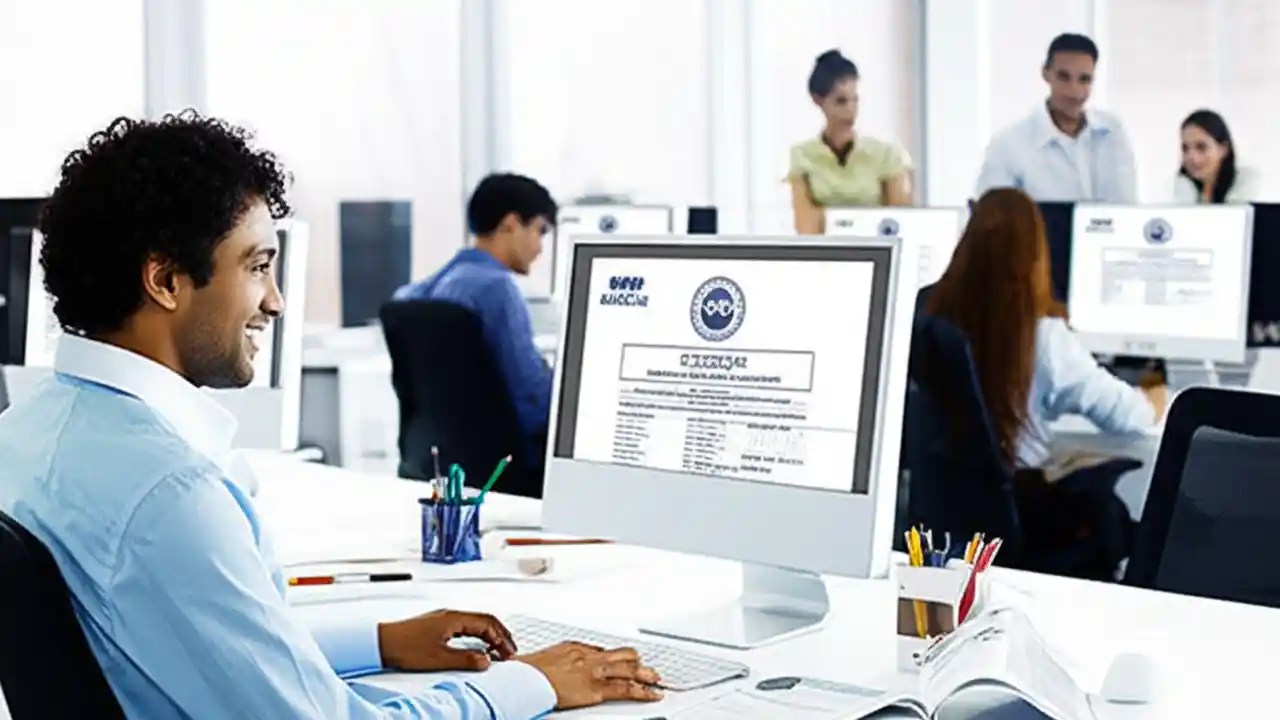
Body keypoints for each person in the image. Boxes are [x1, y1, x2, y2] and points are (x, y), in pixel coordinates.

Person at [0, 113, 659, 718]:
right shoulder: (169, 497)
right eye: (258, 267)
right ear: (166, 281)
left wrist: (382, 640)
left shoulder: (26, 433)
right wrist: (530, 684)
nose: (277, 302)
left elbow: (209, 643)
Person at [923, 188, 1164, 471]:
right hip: (1017, 501)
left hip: (939, 503)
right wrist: (1155, 393)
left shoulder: (928, 318)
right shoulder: (1042, 337)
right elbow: (1128, 417)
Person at [395, 174, 555, 469]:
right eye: (540, 230)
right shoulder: (495, 289)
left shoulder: (415, 294)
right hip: (502, 469)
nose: (540, 248)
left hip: (436, 464)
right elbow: (532, 401)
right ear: (510, 224)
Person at [975, 33, 1137, 203]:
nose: (1073, 91)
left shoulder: (1113, 133)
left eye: (1084, 79)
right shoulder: (1009, 146)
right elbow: (992, 219)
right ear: (1045, 74)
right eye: (1064, 77)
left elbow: (1128, 210)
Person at [788, 49, 913, 234]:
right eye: (840, 101)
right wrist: (867, 219)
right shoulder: (802, 155)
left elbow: (900, 225)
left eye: (855, 100)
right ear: (818, 100)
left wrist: (827, 217)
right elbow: (806, 228)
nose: (851, 111)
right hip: (827, 256)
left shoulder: (886, 153)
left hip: (877, 253)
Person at [1173, 109, 1259, 204]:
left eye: (1201, 147)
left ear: (1223, 149)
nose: (1191, 157)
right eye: (1185, 148)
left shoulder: (1246, 186)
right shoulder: (1180, 189)